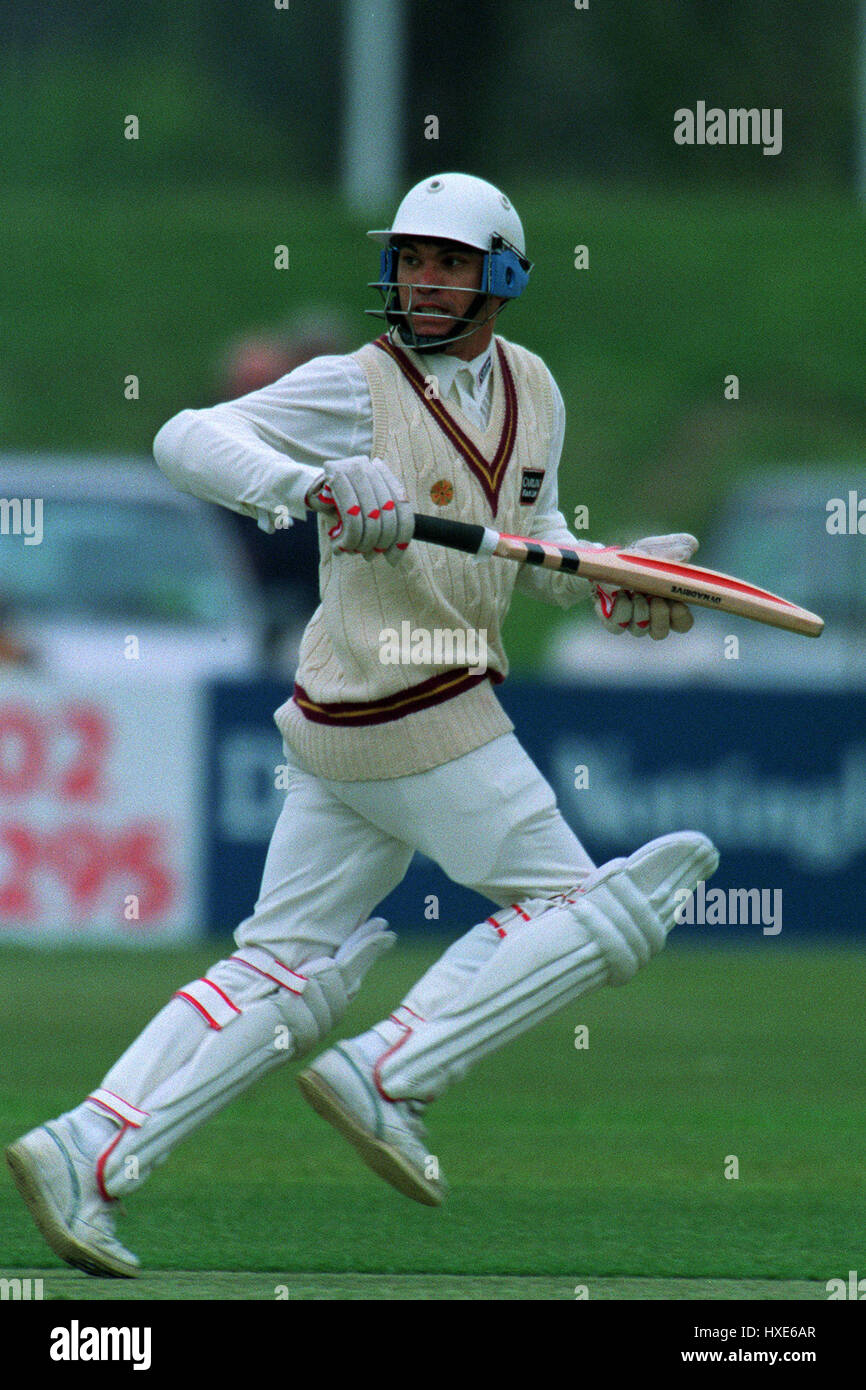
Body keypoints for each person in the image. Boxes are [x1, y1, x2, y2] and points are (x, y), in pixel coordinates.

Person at [6, 173, 718, 1277]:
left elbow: (532, 539)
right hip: (411, 701)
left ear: (502, 277)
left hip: (359, 722)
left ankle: (87, 1146)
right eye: (411, 261)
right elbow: (183, 439)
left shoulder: (533, 387)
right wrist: (315, 480)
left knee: (280, 971)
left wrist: (611, 581)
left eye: (449, 264)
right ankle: (392, 1070)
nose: (425, 283)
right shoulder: (352, 386)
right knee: (590, 914)